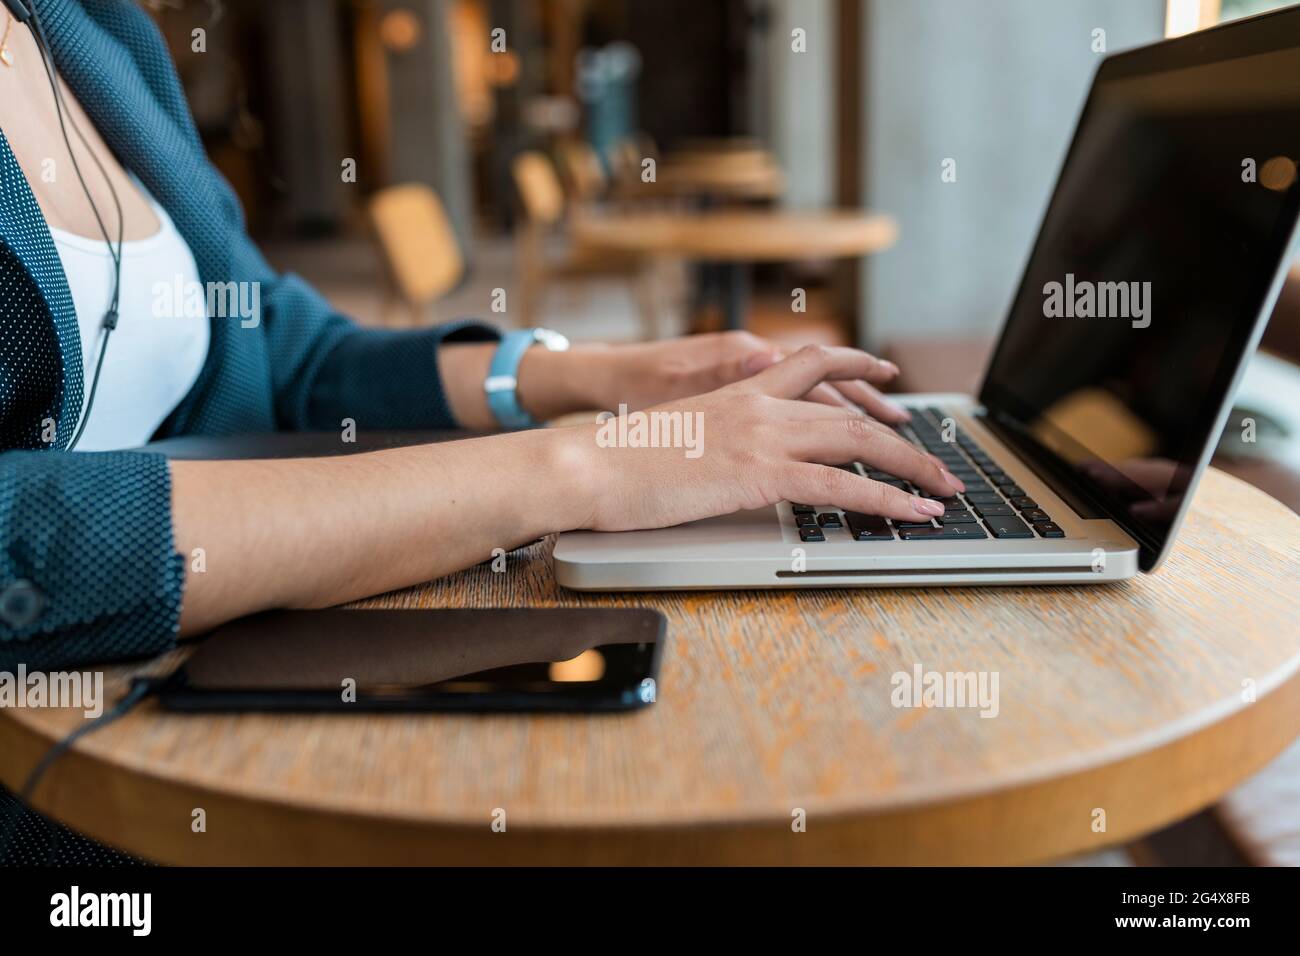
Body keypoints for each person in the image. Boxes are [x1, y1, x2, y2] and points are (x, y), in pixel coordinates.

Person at [0, 0, 962, 862]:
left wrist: (605, 372)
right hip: (92, 786)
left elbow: (286, 352)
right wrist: (580, 464)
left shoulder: (92, 30)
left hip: (266, 654)